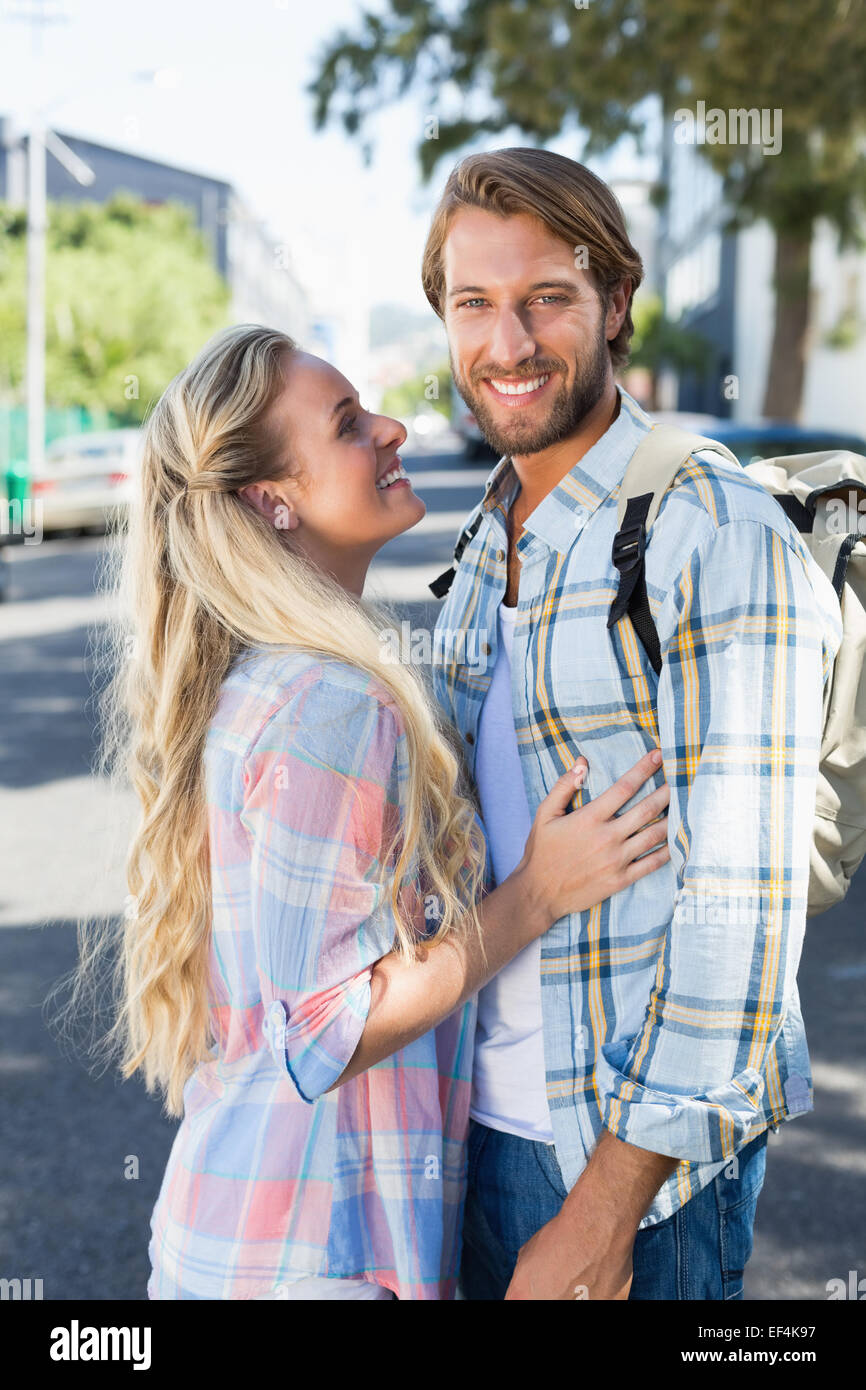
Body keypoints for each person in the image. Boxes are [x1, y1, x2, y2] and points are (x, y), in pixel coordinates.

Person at [87, 323, 672, 1300]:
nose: (395, 426)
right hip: (311, 1261)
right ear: (271, 499)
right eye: (349, 423)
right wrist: (537, 893)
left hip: (244, 1240)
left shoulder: (270, 681)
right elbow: (326, 1026)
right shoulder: (334, 703)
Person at [422, 146, 844, 1300]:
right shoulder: (477, 548)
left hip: (630, 1173)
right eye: (474, 304)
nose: (505, 344)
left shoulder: (711, 530)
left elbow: (739, 915)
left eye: (545, 299)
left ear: (613, 302)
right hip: (467, 1138)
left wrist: (603, 1212)